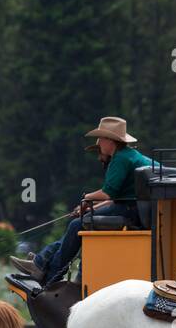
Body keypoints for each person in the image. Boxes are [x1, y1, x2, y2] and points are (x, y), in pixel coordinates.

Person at [11, 116, 158, 285]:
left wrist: (86, 198)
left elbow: (108, 194)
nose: (99, 143)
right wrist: (89, 207)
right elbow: (116, 198)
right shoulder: (128, 156)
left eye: (101, 139)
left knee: (76, 225)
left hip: (132, 210)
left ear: (111, 141)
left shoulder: (120, 159)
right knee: (80, 222)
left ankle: (48, 273)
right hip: (133, 208)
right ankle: (42, 262)